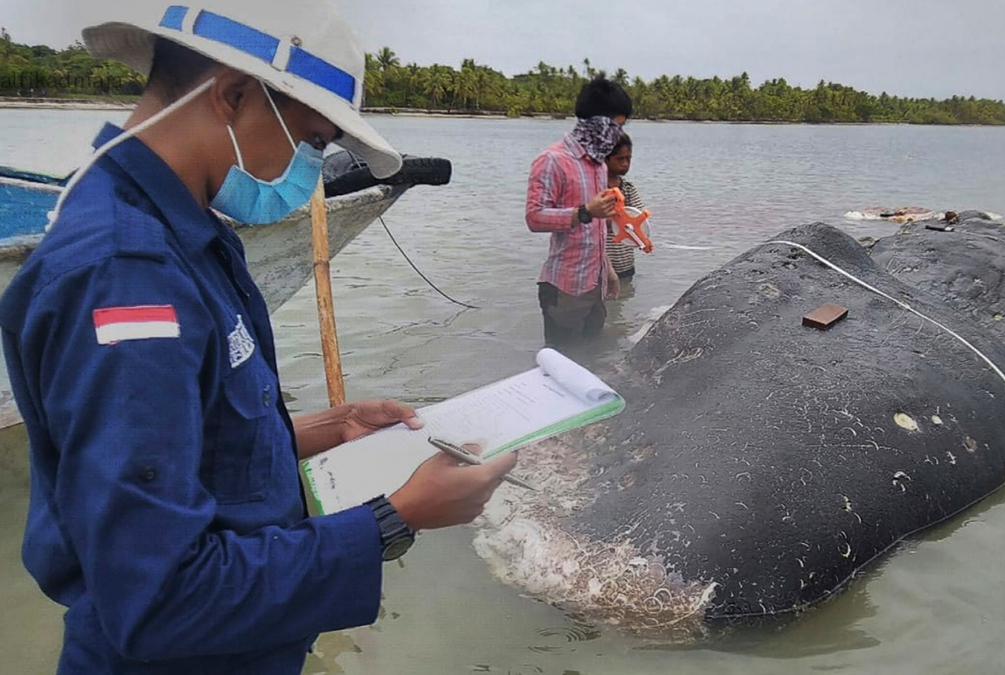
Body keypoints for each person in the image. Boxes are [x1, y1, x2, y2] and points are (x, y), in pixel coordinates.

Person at [0, 2, 516, 673]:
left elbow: (180, 444)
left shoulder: (182, 233)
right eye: (312, 139)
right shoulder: (128, 279)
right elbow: (158, 596)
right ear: (234, 95)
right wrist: (394, 518)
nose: (309, 168)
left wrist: (324, 427)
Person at [526, 76, 632, 348]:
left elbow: (596, 229)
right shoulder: (552, 161)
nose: (618, 136)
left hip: (594, 285)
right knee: (561, 367)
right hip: (564, 290)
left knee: (592, 360)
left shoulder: (597, 164)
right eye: (616, 127)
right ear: (597, 124)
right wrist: (585, 211)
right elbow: (534, 217)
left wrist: (607, 270)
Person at [603, 133, 647, 280]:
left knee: (623, 300)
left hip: (626, 265)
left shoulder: (628, 188)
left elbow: (640, 219)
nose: (625, 163)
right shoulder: (596, 190)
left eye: (628, 159)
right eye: (620, 159)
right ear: (604, 159)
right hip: (600, 267)